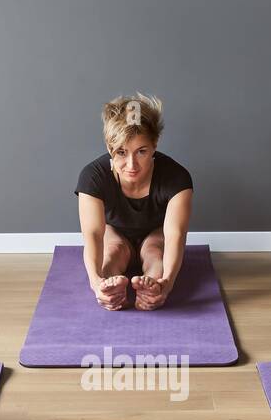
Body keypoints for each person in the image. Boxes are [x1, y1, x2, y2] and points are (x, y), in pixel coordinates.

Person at [75, 93, 193, 311]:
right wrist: (96, 284)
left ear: (154, 145)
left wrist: (166, 285)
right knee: (113, 250)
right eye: (121, 152)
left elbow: (175, 234)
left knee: (154, 251)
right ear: (110, 148)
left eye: (141, 151)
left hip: (155, 233)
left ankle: (151, 287)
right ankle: (111, 288)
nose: (132, 165)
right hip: (116, 233)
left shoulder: (177, 178)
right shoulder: (92, 177)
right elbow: (93, 234)